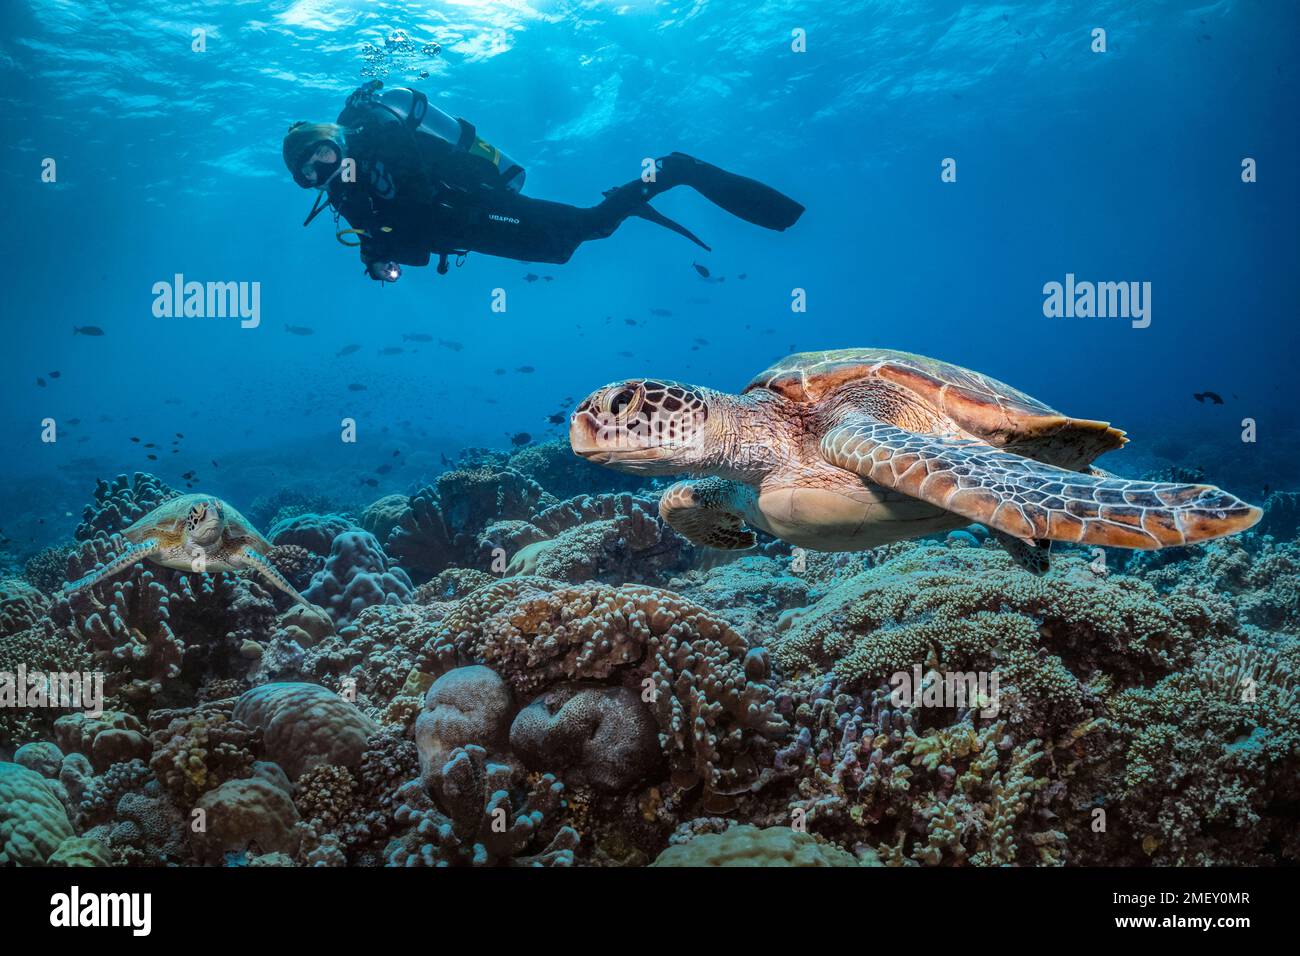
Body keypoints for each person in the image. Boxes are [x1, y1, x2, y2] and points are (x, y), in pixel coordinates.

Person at [282, 82, 804, 282]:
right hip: (468, 234)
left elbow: (428, 179)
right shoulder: (347, 197)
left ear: (334, 138)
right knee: (563, 248)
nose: (321, 169)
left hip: (481, 205)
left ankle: (673, 171)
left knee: (588, 228)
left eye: (321, 153)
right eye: (310, 172)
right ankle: (647, 189)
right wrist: (376, 257)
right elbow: (393, 242)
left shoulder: (379, 138)